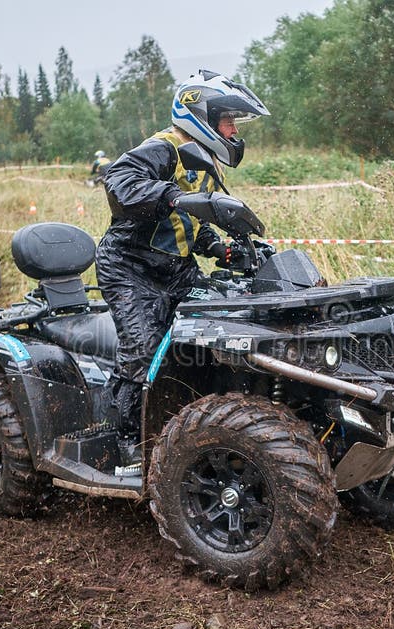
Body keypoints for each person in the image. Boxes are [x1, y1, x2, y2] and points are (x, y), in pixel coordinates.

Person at [95, 69, 269, 472]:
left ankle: (204, 426)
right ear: (201, 116)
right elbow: (118, 182)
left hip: (176, 270)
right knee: (143, 350)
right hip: (130, 267)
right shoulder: (166, 147)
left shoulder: (204, 160)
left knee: (219, 330)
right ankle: (125, 444)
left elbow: (188, 220)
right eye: (228, 121)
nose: (233, 131)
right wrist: (170, 194)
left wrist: (219, 249)